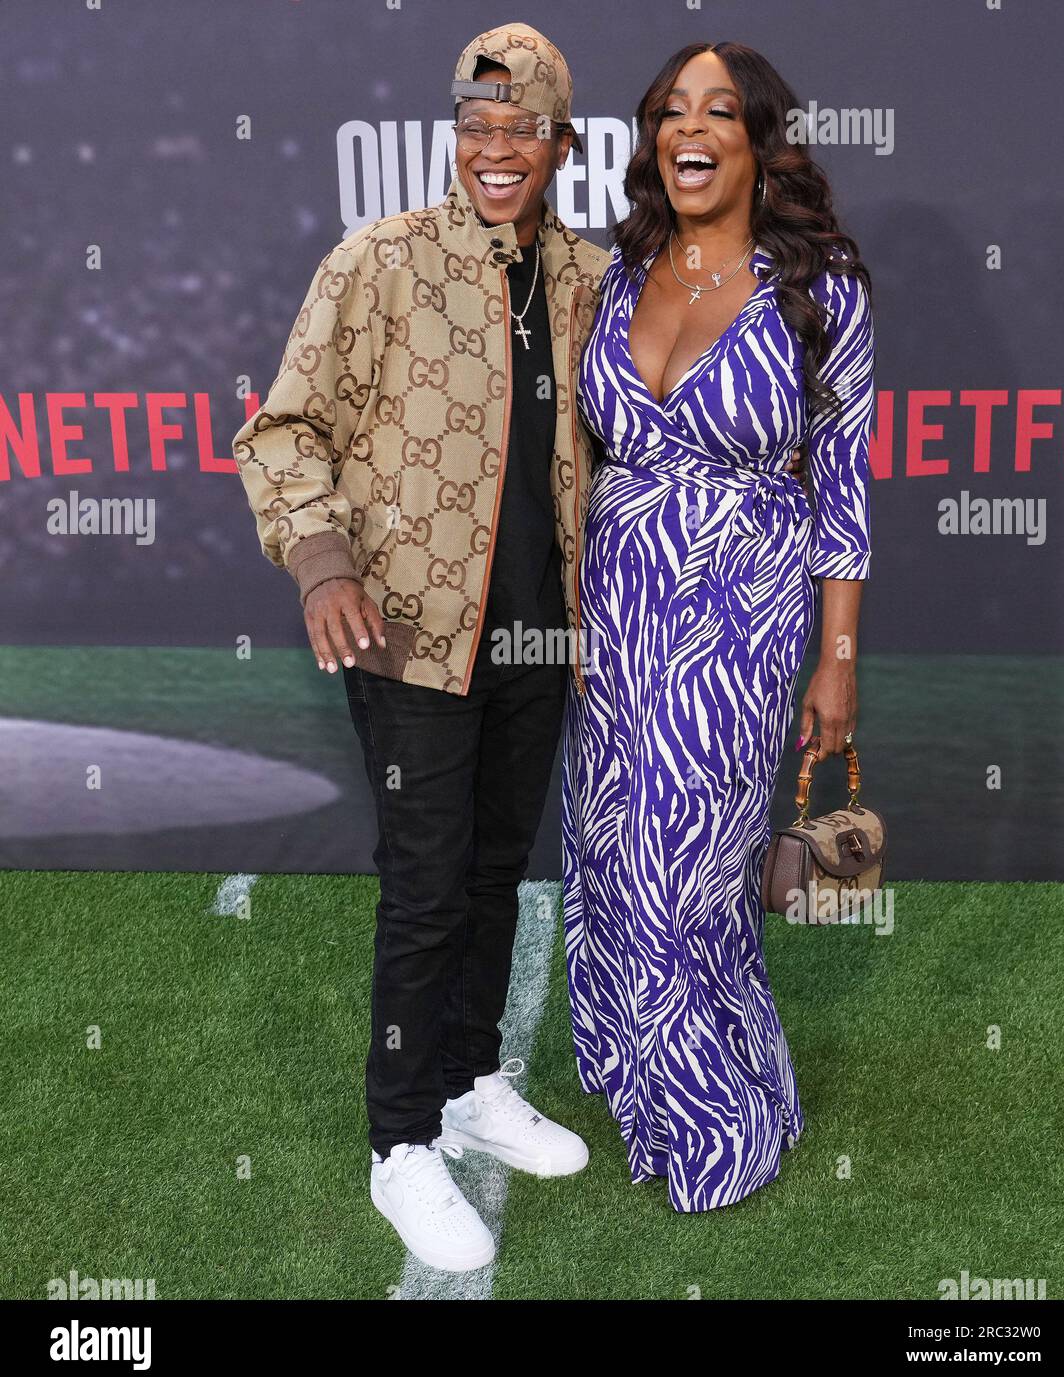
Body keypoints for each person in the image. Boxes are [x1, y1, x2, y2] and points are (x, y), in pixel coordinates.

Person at [232, 24, 608, 1273]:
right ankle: (399, 1142)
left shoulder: (584, 275)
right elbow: (283, 428)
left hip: (535, 636)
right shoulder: (378, 262)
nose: (495, 151)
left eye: (521, 129)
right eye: (475, 126)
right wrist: (320, 560)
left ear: (559, 141)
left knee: (499, 868)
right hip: (408, 633)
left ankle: (467, 1084)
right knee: (427, 882)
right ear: (455, 133)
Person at [562, 41, 875, 1213]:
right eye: (667, 112)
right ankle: (656, 1075)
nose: (687, 130)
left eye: (718, 112)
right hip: (616, 614)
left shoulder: (819, 292)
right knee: (606, 848)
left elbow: (841, 495)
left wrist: (833, 667)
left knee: (680, 875)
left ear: (758, 142)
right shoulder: (620, 268)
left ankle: (715, 1129)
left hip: (736, 618)